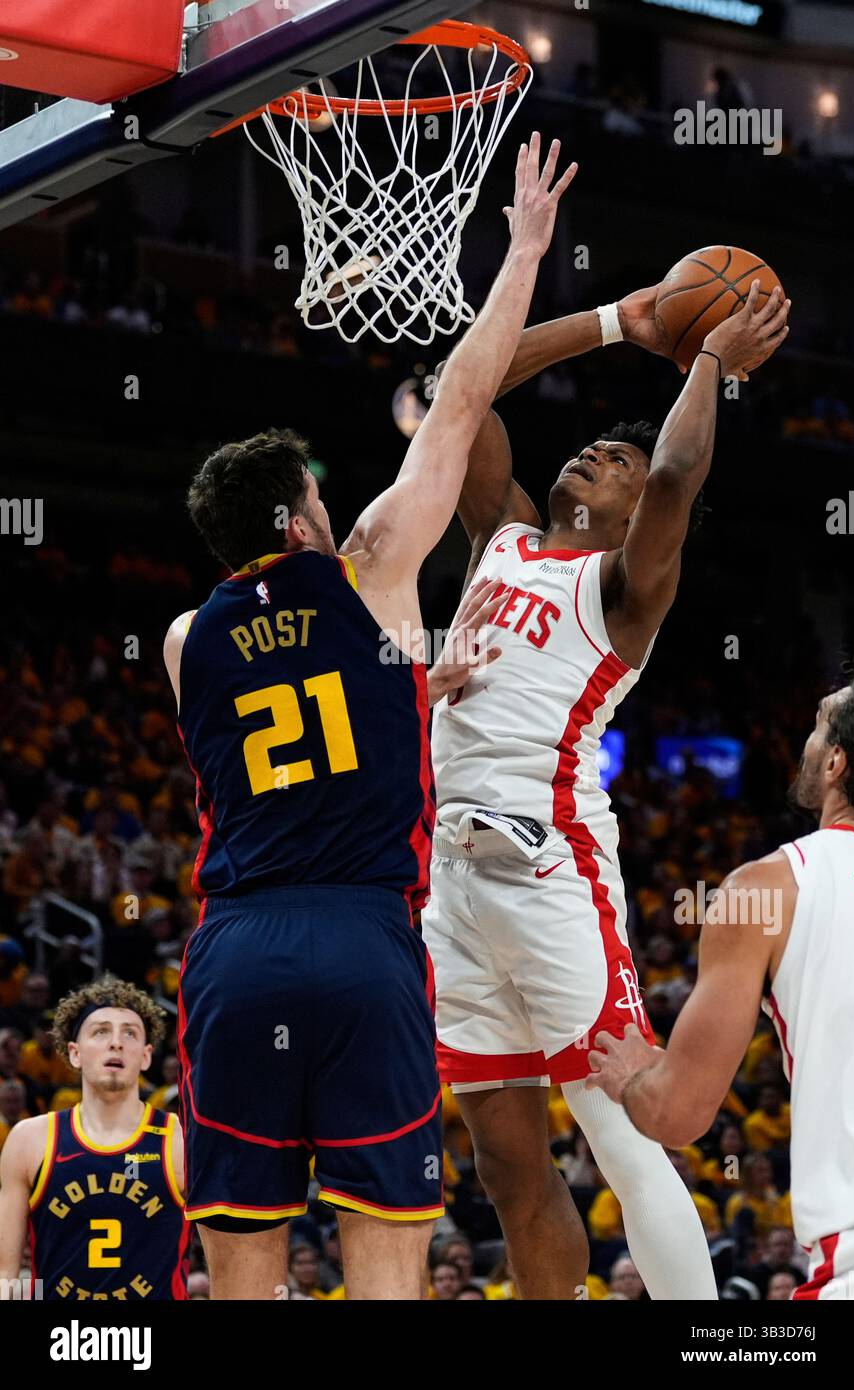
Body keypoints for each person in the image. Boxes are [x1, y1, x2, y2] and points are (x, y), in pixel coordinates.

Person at [163, 135, 577, 1301]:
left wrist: (404, 682)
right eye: (318, 494)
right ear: (300, 521)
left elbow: (281, 697)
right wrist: (526, 246)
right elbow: (457, 401)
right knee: (387, 1262)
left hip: (237, 951)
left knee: (242, 1265)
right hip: (363, 942)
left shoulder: (184, 641)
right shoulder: (370, 570)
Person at [422, 273, 790, 1298]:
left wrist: (709, 356)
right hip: (450, 882)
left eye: (616, 460)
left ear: (635, 511)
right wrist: (605, 325)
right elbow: (468, 389)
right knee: (504, 1166)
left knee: (623, 1133)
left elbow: (675, 474)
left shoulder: (624, 588)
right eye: (592, 447)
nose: (597, 455)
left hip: (550, 867)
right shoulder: (497, 532)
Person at [588, 675, 854, 1300]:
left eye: (820, 725)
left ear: (837, 762)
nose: (807, 739)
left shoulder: (768, 889)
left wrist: (635, 1075)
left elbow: (677, 1113)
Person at [0, 977, 188, 1300]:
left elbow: (221, 1260)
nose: (116, 1042)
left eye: (129, 1033)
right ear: (74, 1053)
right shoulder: (29, 1140)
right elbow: (6, 1275)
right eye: (101, 1031)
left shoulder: (181, 1139)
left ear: (145, 1057)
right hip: (65, 1346)